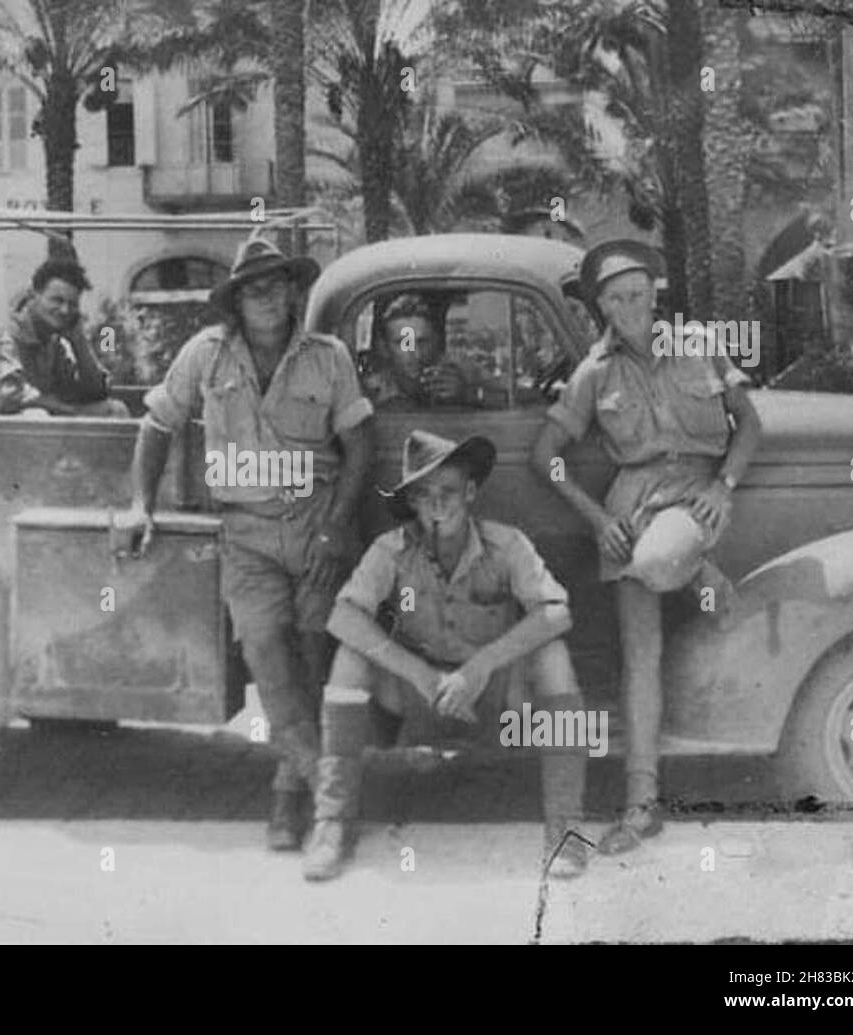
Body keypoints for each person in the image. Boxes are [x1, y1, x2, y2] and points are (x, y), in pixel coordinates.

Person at [117, 237, 375, 851]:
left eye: (276, 285)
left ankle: (290, 796)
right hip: (248, 534)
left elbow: (361, 442)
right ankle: (327, 797)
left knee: (316, 652)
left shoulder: (328, 356)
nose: (266, 298)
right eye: (252, 289)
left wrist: (337, 526)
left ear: (292, 292)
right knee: (266, 654)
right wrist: (138, 504)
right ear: (236, 301)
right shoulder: (206, 355)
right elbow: (157, 424)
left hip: (315, 524)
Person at [530, 239, 762, 855]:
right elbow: (543, 458)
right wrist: (595, 517)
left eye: (637, 291)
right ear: (601, 306)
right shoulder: (594, 373)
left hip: (694, 499)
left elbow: (751, 423)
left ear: (653, 292)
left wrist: (727, 485)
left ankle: (699, 569)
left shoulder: (698, 347)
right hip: (629, 515)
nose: (629, 304)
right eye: (615, 297)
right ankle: (640, 803)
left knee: (662, 560)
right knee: (641, 660)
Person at [302, 429, 591, 881]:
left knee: (553, 657)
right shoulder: (391, 550)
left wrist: (481, 667)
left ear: (471, 492)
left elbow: (557, 611)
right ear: (413, 502)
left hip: (493, 695)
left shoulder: (506, 544)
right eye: (426, 495)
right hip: (420, 694)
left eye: (449, 492)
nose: (438, 505)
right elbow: (342, 614)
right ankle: (332, 822)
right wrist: (415, 671)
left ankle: (566, 826)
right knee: (349, 660)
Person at [0, 256, 129, 417]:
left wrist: (78, 341)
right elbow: (3, 399)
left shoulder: (51, 341)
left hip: (11, 429)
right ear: (34, 296)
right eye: (57, 300)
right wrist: (65, 409)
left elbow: (93, 393)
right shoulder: (6, 332)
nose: (65, 310)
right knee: (37, 417)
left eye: (72, 304)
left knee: (114, 410)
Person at [361, 293, 487, 409]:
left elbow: (501, 398)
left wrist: (467, 394)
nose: (414, 354)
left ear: (436, 342)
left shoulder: (462, 372)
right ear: (384, 348)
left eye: (422, 342)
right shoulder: (368, 393)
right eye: (403, 343)